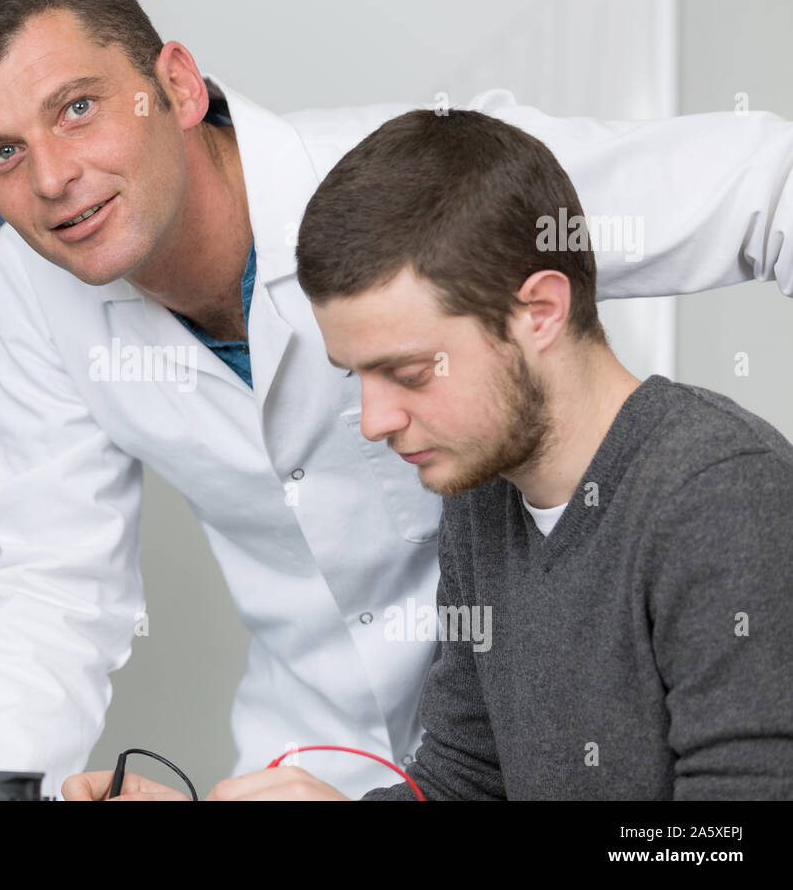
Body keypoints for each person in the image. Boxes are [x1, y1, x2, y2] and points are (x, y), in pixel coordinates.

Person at [0, 0, 793, 799]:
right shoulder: (40, 284)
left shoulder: (420, 193)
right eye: (0, 153)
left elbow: (765, 185)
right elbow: (47, 581)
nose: (50, 178)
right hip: (331, 762)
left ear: (179, 86)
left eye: (77, 108)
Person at [83, 109, 793, 800]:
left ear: (540, 311)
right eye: (354, 375)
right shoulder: (482, 490)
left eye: (411, 374)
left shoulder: (719, 495)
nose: (373, 421)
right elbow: (465, 779)